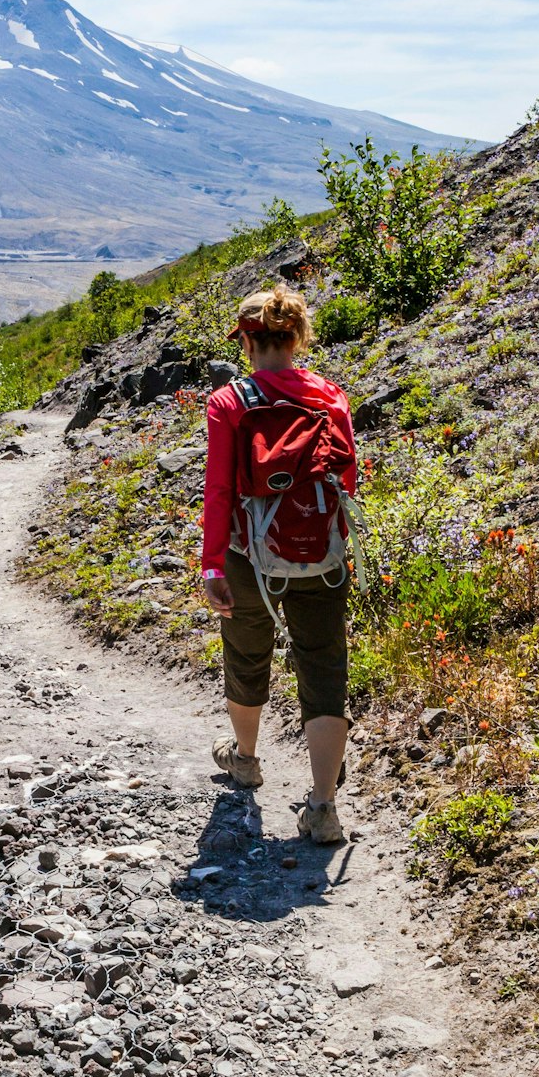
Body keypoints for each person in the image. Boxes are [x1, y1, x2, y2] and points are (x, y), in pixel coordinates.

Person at [198, 286, 359, 845]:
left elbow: (219, 491)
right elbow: (347, 484)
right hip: (321, 552)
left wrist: (213, 563)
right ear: (297, 336)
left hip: (249, 553)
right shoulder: (330, 397)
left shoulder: (229, 403)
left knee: (246, 651)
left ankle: (245, 760)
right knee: (323, 665)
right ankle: (323, 807)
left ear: (246, 340)